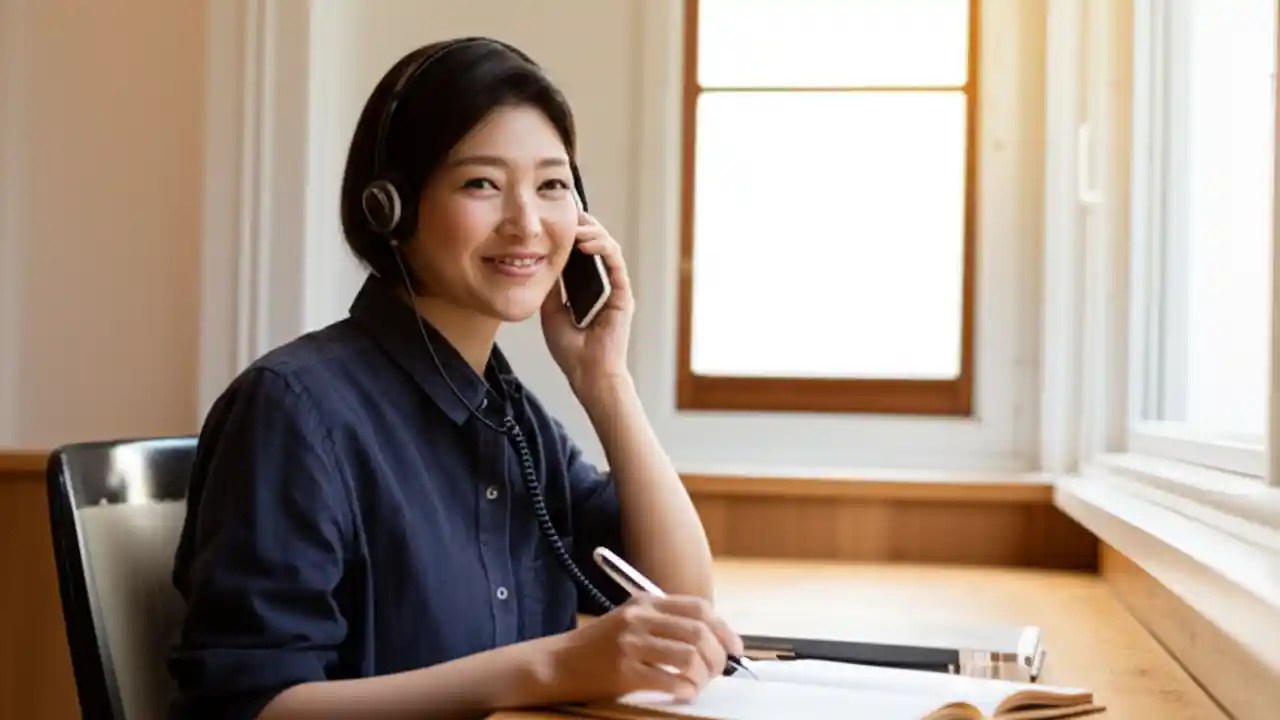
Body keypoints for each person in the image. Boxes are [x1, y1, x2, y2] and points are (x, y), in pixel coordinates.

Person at [167, 36, 744, 720]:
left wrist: (606, 381)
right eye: (482, 184)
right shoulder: (295, 411)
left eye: (552, 185)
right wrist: (549, 667)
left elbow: (680, 606)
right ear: (391, 208)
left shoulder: (513, 418)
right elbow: (249, 707)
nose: (527, 223)